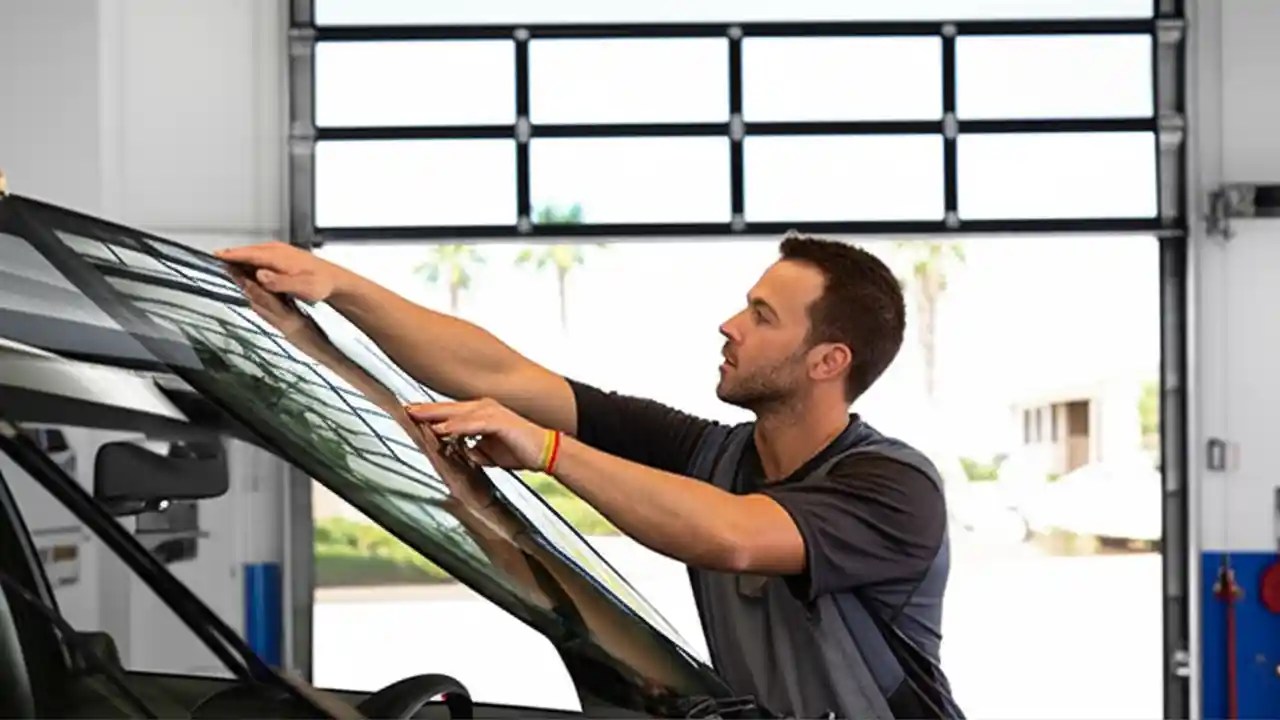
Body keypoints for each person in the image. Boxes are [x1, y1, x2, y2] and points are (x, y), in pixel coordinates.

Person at [216, 232, 961, 719]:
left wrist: (546, 451)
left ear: (827, 362)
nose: (730, 325)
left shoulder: (894, 490)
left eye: (762, 316)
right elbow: (502, 374)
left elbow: (732, 536)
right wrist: (336, 284)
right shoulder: (716, 455)